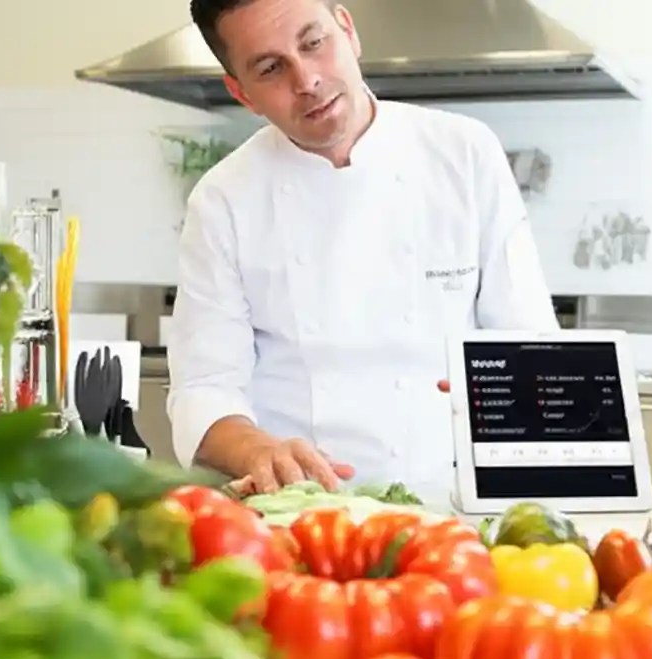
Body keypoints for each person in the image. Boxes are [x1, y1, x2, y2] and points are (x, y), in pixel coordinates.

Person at [166, 0, 558, 502]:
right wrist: (258, 451)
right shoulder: (224, 199)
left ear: (347, 30)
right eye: (270, 68)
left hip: (456, 504)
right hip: (305, 510)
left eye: (313, 43)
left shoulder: (464, 152)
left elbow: (531, 348)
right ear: (242, 93)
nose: (306, 79)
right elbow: (204, 388)